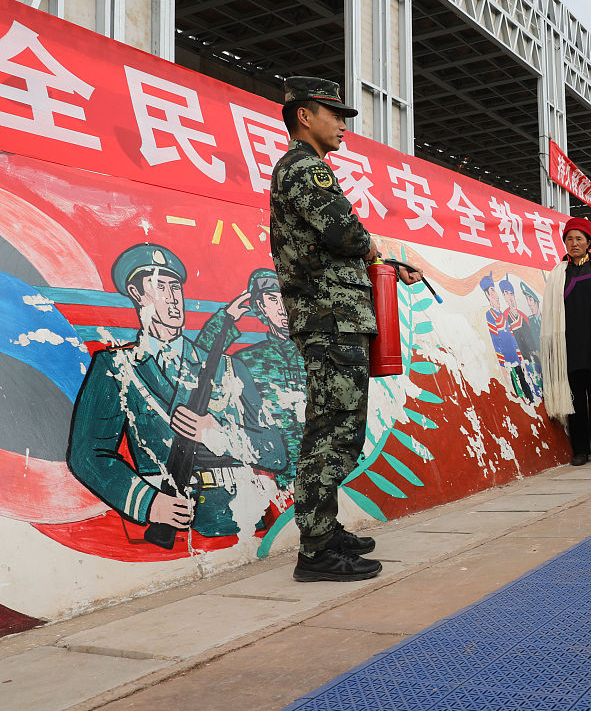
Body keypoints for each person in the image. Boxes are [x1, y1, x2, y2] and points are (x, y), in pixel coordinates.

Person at [270, 76, 421, 582]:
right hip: (329, 321)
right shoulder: (304, 170)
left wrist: (379, 256)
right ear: (304, 115)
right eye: (334, 114)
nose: (342, 125)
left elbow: (343, 243)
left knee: (341, 428)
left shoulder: (310, 168)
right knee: (331, 431)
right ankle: (314, 552)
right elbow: (344, 232)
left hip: (337, 320)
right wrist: (372, 245)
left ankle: (324, 530)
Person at [68, 245, 285, 545]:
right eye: (160, 286)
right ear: (136, 292)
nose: (173, 299)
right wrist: (150, 504)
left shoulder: (227, 367)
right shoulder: (116, 367)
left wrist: (219, 434)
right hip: (174, 523)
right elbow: (87, 455)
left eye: (175, 287)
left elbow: (275, 451)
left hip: (242, 519)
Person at [196, 268, 306, 489]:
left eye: (287, 299)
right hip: (277, 480)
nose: (283, 308)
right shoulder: (246, 359)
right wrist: (225, 320)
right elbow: (197, 363)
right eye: (273, 300)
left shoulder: (314, 353)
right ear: (261, 307)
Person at [541, 218, 591, 466]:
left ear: (589, 242)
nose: (574, 243)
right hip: (569, 346)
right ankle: (579, 450)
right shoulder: (558, 273)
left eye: (579, 239)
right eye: (569, 239)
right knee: (575, 397)